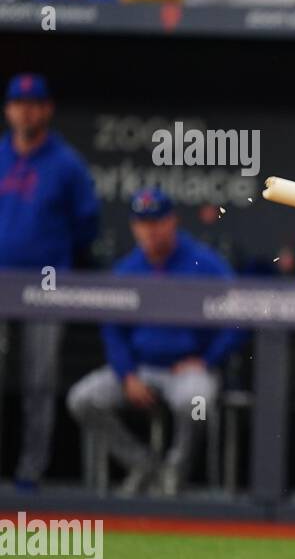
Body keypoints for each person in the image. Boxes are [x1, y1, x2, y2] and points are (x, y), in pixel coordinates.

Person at [67, 188, 242, 495]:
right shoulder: (127, 270)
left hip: (186, 369)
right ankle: (141, 463)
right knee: (82, 399)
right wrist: (127, 374)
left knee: (195, 402)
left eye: (156, 221)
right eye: (142, 223)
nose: (149, 230)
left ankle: (175, 468)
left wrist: (208, 359)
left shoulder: (204, 263)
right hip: (140, 368)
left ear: (172, 221)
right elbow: (113, 330)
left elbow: (240, 315)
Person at [0, 73, 100, 492]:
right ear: (8, 110)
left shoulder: (66, 163)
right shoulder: (1, 153)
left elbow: (86, 226)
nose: (26, 111)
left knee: (39, 382)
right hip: (2, 281)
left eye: (34, 103)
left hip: (45, 285)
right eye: (19, 103)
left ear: (47, 110)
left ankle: (30, 471)